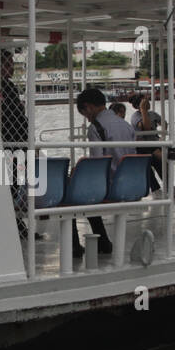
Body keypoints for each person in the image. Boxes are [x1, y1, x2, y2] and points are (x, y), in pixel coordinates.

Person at [72, 88, 135, 256]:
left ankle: (75, 247)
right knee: (85, 196)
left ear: (89, 107)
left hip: (110, 185)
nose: (87, 118)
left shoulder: (96, 128)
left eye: (85, 114)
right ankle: (103, 241)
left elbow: (96, 165)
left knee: (72, 197)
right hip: (130, 183)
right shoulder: (126, 125)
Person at [0, 50, 31, 237]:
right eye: (6, 65)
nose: (10, 69)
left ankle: (14, 221)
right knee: (11, 182)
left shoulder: (9, 87)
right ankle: (14, 222)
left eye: (11, 64)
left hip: (16, 140)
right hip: (9, 141)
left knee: (15, 182)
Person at [129, 93, 175, 197]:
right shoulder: (135, 117)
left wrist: (163, 137)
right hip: (145, 147)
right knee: (159, 158)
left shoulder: (152, 114)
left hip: (157, 143)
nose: (148, 103)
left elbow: (164, 123)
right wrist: (143, 111)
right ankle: (161, 188)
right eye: (145, 101)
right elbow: (146, 127)